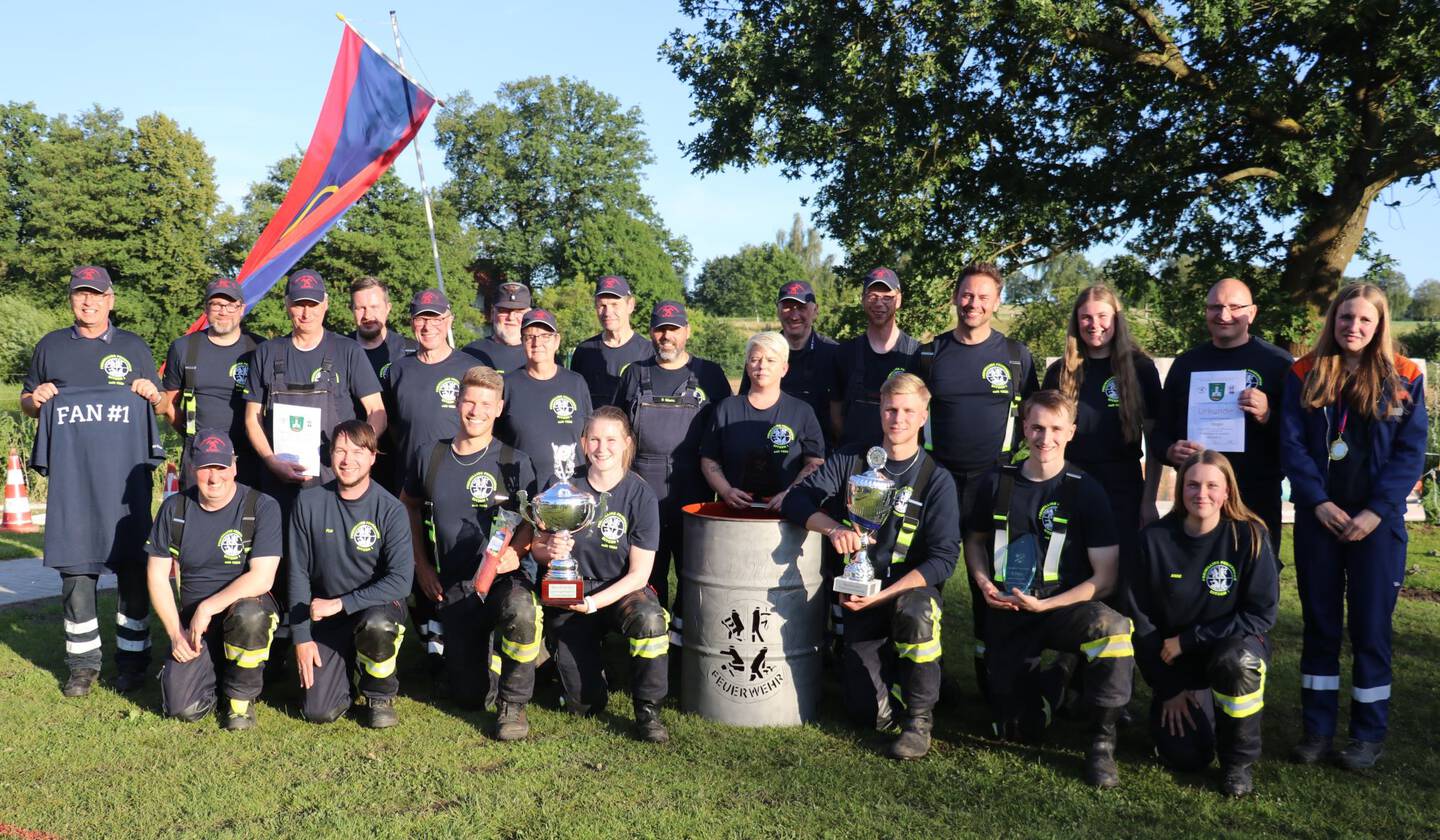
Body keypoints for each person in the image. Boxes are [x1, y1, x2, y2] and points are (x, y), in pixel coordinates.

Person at [1279, 283, 1426, 771]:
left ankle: (1367, 735)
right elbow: (1292, 444)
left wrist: (1377, 510)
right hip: (1319, 520)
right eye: (1346, 317)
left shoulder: (1405, 376)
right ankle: (1317, 731)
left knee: (1371, 629)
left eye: (1365, 319)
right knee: (1321, 626)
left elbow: (1410, 452)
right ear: (1333, 321)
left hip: (1376, 525)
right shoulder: (1304, 373)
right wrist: (1316, 502)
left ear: (1380, 324)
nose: (1354, 327)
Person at [782, 373, 958, 759]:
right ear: (880, 410)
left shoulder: (937, 479)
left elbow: (944, 559)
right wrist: (833, 529)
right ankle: (900, 677)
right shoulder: (853, 459)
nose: (898, 419)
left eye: (908, 411)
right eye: (891, 409)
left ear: (924, 416)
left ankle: (919, 721)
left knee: (916, 613)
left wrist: (884, 595)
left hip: (906, 592)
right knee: (867, 714)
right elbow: (796, 501)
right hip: (859, 591)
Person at [963, 390, 1131, 788]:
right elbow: (974, 541)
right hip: (1008, 608)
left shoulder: (1087, 489)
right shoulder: (996, 482)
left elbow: (1105, 578)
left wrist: (1047, 605)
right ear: (1024, 428)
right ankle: (1058, 678)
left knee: (1113, 629)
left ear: (1071, 432)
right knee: (1015, 729)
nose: (1045, 438)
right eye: (1037, 427)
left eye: (1056, 429)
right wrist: (984, 583)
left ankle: (1102, 743)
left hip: (1063, 608)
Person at [22, 266, 164, 696]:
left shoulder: (133, 346)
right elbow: (29, 400)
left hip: (125, 487)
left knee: (133, 572)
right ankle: (82, 665)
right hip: (74, 487)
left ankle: (133, 662)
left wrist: (151, 395)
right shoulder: (50, 347)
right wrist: (35, 400)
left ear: (110, 300)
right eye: (80, 294)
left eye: (96, 295)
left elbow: (158, 404)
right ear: (71, 299)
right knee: (76, 574)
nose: (88, 302)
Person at [401, 366, 541, 739]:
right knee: (469, 698)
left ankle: (513, 706)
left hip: (504, 580)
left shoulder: (515, 461)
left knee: (521, 610)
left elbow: (531, 520)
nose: (476, 411)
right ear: (457, 402)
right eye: (469, 401)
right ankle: (489, 658)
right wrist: (421, 565)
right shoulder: (430, 455)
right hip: (456, 587)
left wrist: (517, 551)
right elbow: (408, 505)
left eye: (486, 404)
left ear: (499, 408)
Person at [919, 261, 1039, 691]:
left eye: (983, 297)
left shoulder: (1016, 356)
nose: (973, 303)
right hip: (938, 480)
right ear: (955, 297)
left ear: (997, 302)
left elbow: (1033, 417)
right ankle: (925, 676)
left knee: (990, 581)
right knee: (928, 574)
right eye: (967, 294)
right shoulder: (929, 354)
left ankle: (992, 678)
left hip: (995, 481)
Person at [1128, 451, 1278, 796]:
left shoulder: (1250, 535)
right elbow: (1141, 620)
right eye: (1193, 485)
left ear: (1227, 492)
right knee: (1186, 757)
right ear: (1181, 489)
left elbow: (1261, 614)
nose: (1202, 493)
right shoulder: (1153, 539)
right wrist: (1168, 688)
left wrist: (1191, 639)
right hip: (1175, 662)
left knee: (1236, 663)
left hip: (1231, 646)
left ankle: (1237, 762)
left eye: (1213, 485)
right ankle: (1198, 708)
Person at [531, 407, 670, 742]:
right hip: (571, 592)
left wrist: (592, 603)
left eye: (611, 440)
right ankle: (563, 662)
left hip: (621, 591)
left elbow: (639, 574)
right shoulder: (562, 486)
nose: (601, 448)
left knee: (650, 621)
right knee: (584, 705)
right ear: (583, 443)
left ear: (626, 444)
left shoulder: (641, 494)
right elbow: (536, 549)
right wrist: (550, 550)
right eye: (594, 439)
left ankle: (648, 712)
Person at [144, 430, 284, 730]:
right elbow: (156, 576)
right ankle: (218, 673)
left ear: (234, 466)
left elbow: (262, 577)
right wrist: (175, 633)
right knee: (182, 708)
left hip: (244, 614)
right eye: (206, 467)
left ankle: (240, 701)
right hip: (196, 626)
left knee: (250, 616)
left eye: (221, 467)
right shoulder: (174, 509)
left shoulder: (261, 506)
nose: (214, 477)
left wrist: (208, 607)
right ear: (193, 467)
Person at [289, 421, 414, 727]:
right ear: (330, 455)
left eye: (358, 451)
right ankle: (349, 669)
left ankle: (379, 694)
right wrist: (302, 638)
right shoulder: (308, 502)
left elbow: (401, 581)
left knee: (377, 625)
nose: (347, 460)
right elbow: (297, 573)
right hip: (328, 615)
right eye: (340, 451)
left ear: (372, 457)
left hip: (376, 609)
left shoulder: (391, 509)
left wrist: (342, 603)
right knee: (319, 712)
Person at [613, 300, 733, 621]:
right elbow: (616, 433)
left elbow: (726, 433)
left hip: (694, 488)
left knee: (692, 571)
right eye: (660, 329)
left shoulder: (709, 374)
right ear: (651, 332)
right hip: (642, 489)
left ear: (687, 331)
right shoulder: (635, 374)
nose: (666, 336)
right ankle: (649, 633)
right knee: (646, 571)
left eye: (674, 329)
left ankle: (686, 637)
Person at [1158, 278, 1292, 557]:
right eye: (1215, 307)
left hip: (1256, 496)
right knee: (1195, 573)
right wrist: (1170, 450)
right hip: (1198, 498)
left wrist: (1268, 415)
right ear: (1206, 311)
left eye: (1234, 307)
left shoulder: (1277, 363)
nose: (1224, 315)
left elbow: (1299, 435)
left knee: (1256, 571)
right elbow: (1160, 431)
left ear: (1252, 313)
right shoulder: (1186, 365)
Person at [382, 289, 476, 683]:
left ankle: (461, 642)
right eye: (421, 318)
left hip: (459, 488)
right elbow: (390, 428)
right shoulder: (398, 370)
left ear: (449, 320)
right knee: (417, 569)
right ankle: (430, 645)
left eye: (436, 318)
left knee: (454, 565)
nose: (428, 325)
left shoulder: (470, 367)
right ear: (411, 323)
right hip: (410, 488)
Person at [1043, 284, 1164, 568]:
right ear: (1076, 321)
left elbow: (1154, 440)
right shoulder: (1060, 372)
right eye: (1086, 317)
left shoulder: (1141, 369)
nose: (1094, 324)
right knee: (1070, 570)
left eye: (1102, 316)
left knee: (1122, 572)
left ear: (1116, 320)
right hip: (1070, 483)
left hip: (1123, 487)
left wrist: (1148, 500)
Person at [158, 277, 262, 487]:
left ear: (242, 309)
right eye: (216, 305)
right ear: (206, 308)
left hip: (249, 455)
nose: (223, 311)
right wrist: (193, 435)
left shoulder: (260, 348)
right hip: (200, 455)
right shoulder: (184, 348)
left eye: (230, 305)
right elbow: (168, 404)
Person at [702, 331, 825, 510]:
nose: (762, 366)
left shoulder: (802, 412)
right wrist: (726, 491)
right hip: (733, 515)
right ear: (747, 366)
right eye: (755, 359)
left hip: (787, 514)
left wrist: (791, 493)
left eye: (771, 360)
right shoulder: (726, 409)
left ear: (784, 368)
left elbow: (814, 463)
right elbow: (709, 460)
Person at [739, 280, 840, 446]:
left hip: (820, 453)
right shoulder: (761, 354)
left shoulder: (833, 354)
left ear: (815, 310)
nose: (794, 315)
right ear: (778, 310)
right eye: (787, 307)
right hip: (766, 449)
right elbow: (744, 403)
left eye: (801, 307)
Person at [498, 308, 594, 482]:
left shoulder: (576, 383)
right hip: (523, 488)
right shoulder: (507, 385)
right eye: (530, 336)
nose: (537, 342)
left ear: (557, 341)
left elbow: (587, 437)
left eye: (545, 336)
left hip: (571, 487)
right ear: (522, 341)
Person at [830, 267, 919, 448]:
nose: (879, 303)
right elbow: (835, 415)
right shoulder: (844, 353)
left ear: (899, 300)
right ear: (862, 300)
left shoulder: (916, 354)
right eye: (872, 296)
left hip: (899, 459)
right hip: (852, 457)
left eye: (887, 297)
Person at [348, 276, 415, 495]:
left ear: (388, 308)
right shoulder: (339, 350)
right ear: (351, 310)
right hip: (350, 460)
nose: (368, 315)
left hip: (398, 461)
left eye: (374, 307)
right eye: (360, 308)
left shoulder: (410, 352)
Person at [568, 274, 654, 409]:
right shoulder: (584, 351)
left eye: (615, 304)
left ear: (630, 305)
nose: (608, 312)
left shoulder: (648, 352)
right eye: (602, 305)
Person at [463, 281, 530, 375]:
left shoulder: (541, 355)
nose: (511, 318)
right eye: (504, 311)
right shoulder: (472, 353)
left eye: (519, 312)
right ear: (492, 313)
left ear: (529, 315)